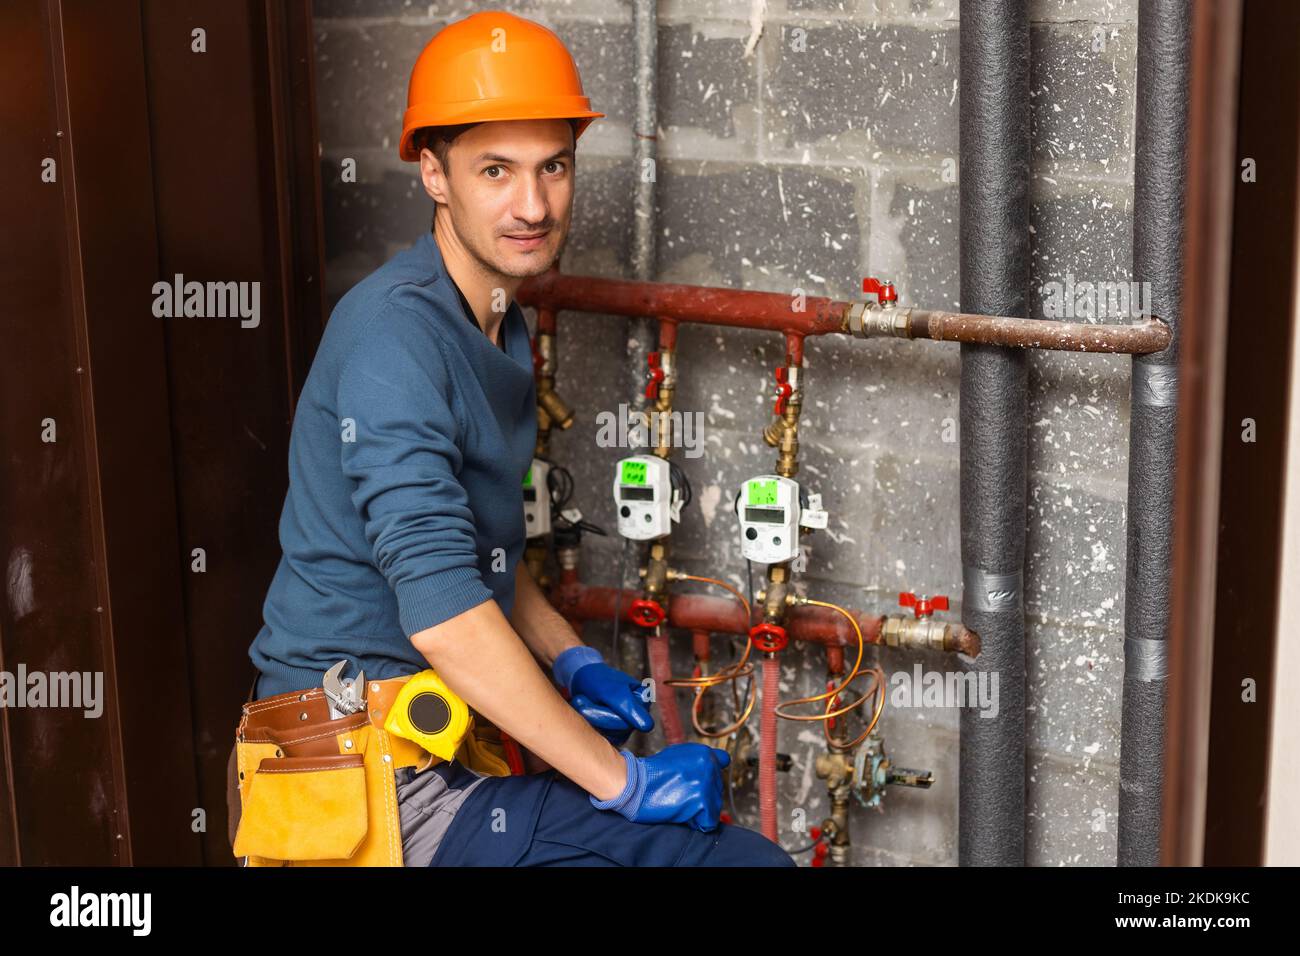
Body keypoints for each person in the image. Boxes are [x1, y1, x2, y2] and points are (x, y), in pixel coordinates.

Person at [241, 10, 794, 868]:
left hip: (437, 742)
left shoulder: (496, 323)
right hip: (364, 774)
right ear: (433, 173)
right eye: (494, 170)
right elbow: (447, 619)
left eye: (554, 168)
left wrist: (571, 661)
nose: (531, 206)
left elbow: (478, 556)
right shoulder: (395, 340)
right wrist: (626, 785)